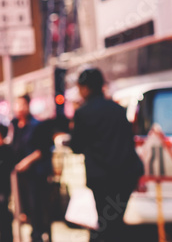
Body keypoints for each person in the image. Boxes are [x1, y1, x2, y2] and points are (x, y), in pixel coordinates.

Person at [68, 68, 144, 242]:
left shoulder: (83, 113)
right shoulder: (118, 109)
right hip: (126, 174)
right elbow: (127, 140)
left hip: (102, 177)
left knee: (105, 222)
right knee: (115, 222)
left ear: (86, 88)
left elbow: (76, 146)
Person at [13, 94, 53, 242]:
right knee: (26, 208)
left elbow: (42, 150)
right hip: (21, 176)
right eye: (17, 105)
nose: (19, 109)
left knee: (37, 206)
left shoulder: (36, 125)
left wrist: (26, 162)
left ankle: (38, 235)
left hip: (36, 174)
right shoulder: (16, 126)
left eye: (22, 105)